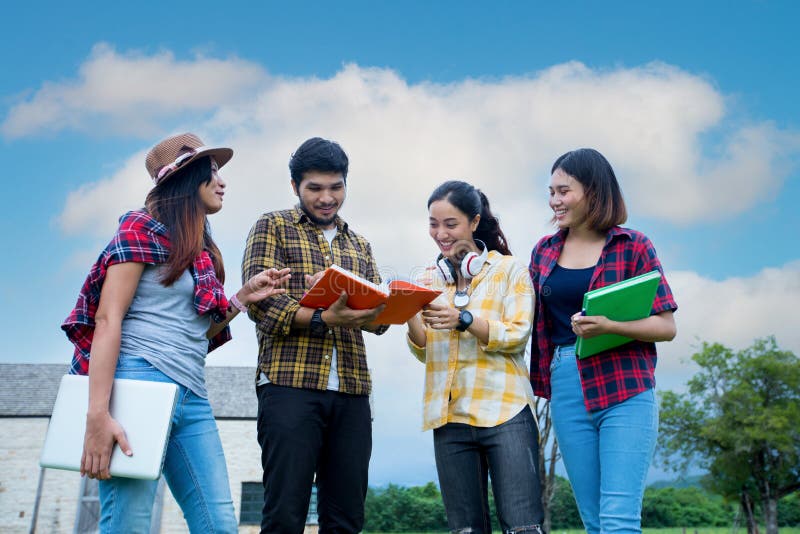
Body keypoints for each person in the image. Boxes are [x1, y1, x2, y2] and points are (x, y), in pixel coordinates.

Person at [62, 132, 291, 533]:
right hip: (138, 381)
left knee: (218, 524)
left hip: (191, 395)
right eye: (212, 172)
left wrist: (241, 297)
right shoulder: (141, 226)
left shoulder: (200, 251)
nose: (222, 182)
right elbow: (107, 319)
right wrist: (98, 415)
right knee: (128, 523)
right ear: (184, 179)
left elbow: (197, 333)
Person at [241, 137, 388, 534]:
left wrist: (381, 310)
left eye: (336, 187)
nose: (327, 198)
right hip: (290, 387)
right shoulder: (271, 226)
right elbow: (262, 306)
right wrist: (325, 317)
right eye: (315, 188)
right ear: (295, 187)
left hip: (353, 391)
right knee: (285, 513)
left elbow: (378, 319)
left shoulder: (360, 244)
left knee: (346, 518)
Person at [529, 148, 678, 534]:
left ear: (593, 191)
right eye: (551, 192)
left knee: (618, 519)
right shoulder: (543, 251)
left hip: (625, 385)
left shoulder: (633, 245)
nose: (555, 201)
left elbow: (666, 325)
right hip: (567, 383)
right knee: (593, 520)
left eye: (564, 191)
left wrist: (611, 325)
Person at [406, 180, 544, 534]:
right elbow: (425, 350)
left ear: (474, 221)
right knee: (465, 530)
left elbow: (516, 334)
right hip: (450, 417)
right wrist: (405, 309)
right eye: (434, 224)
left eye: (450, 224)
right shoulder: (426, 279)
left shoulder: (510, 271)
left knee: (524, 528)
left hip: (506, 413)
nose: (440, 233)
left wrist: (464, 319)